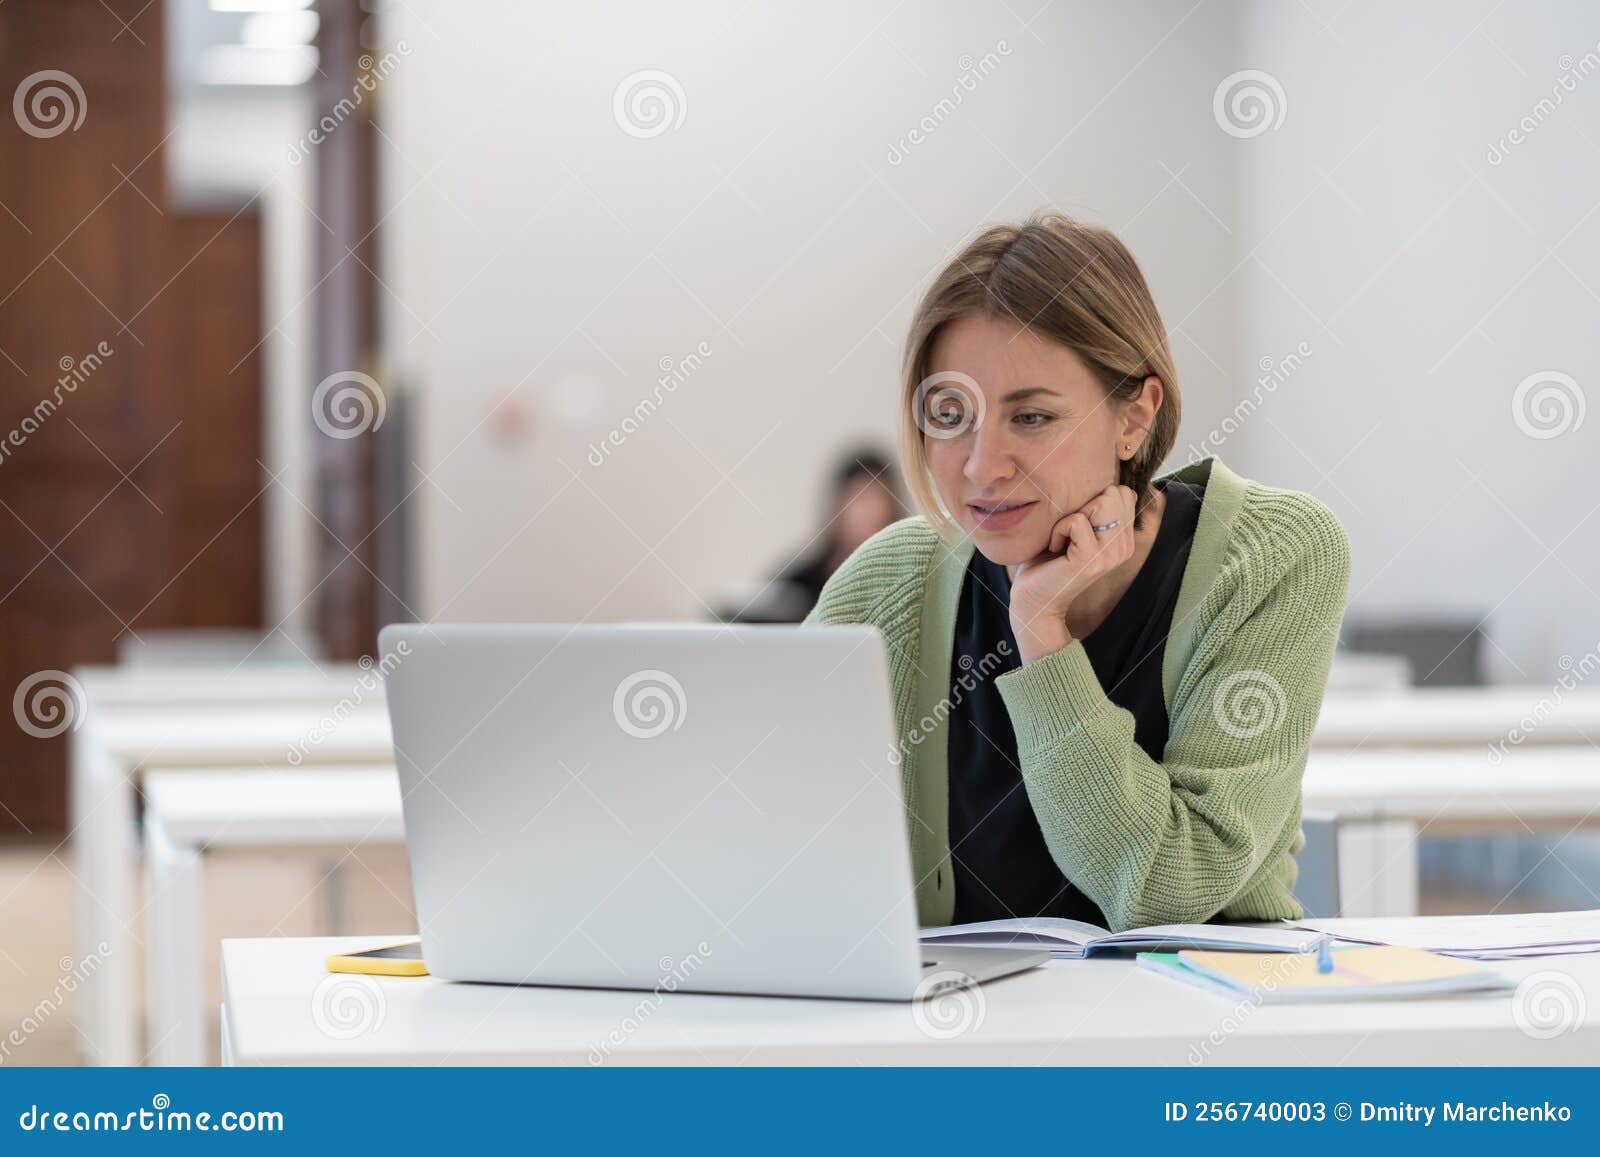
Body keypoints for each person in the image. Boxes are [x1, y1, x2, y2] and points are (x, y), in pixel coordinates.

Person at [806, 213, 1350, 932]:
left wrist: (1041, 631)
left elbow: (1163, 891)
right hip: (959, 1007)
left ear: (1134, 418)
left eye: (1031, 417)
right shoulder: (886, 584)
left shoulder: (1271, 556)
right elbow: (767, 838)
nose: (982, 466)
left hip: (1190, 1001)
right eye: (951, 414)